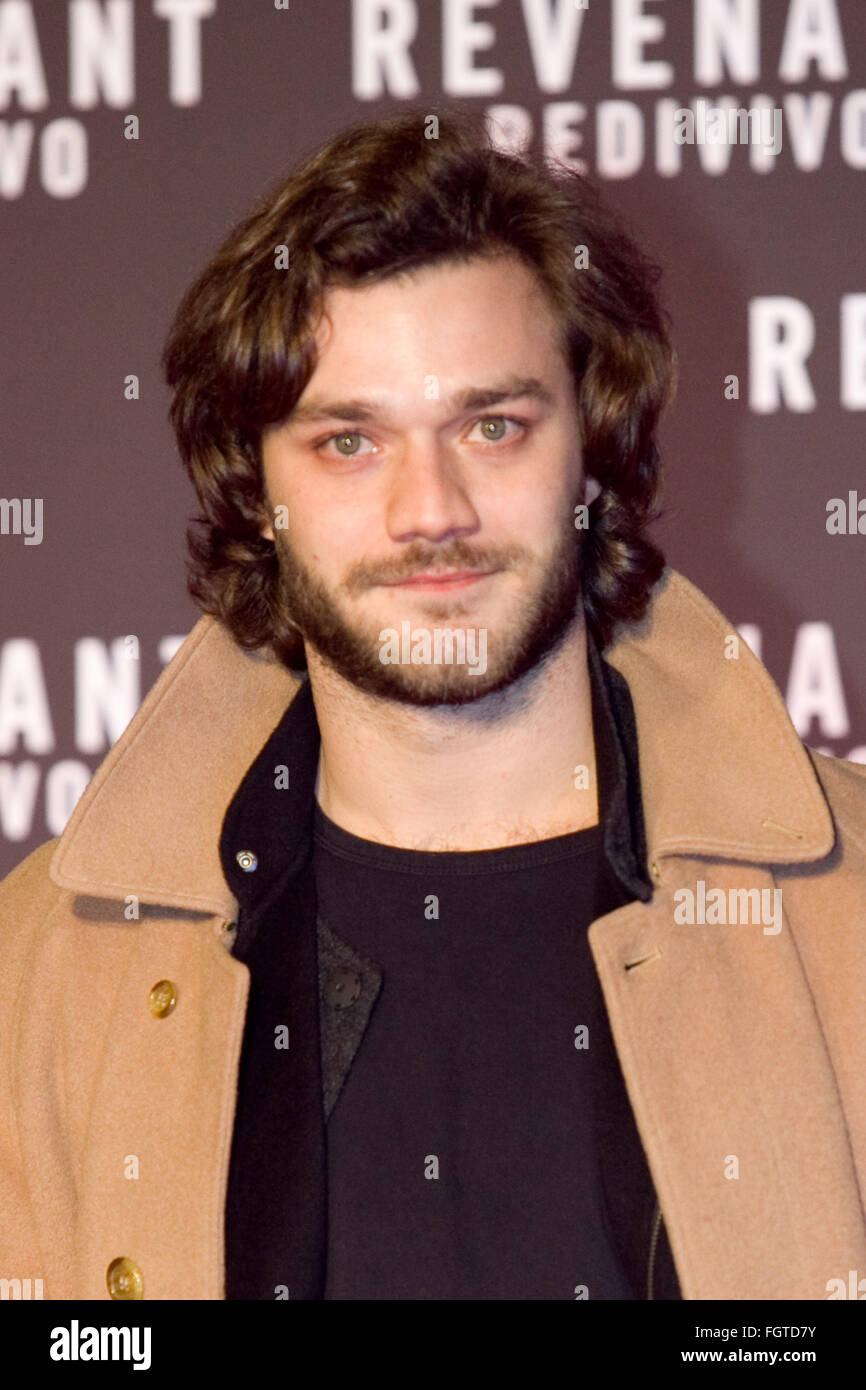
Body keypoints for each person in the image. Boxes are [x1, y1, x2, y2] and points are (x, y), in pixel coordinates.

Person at [2, 107, 865, 1303]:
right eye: (349, 442)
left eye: (492, 425)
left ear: (593, 447)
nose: (431, 510)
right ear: (256, 491)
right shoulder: (42, 972)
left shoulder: (846, 912)